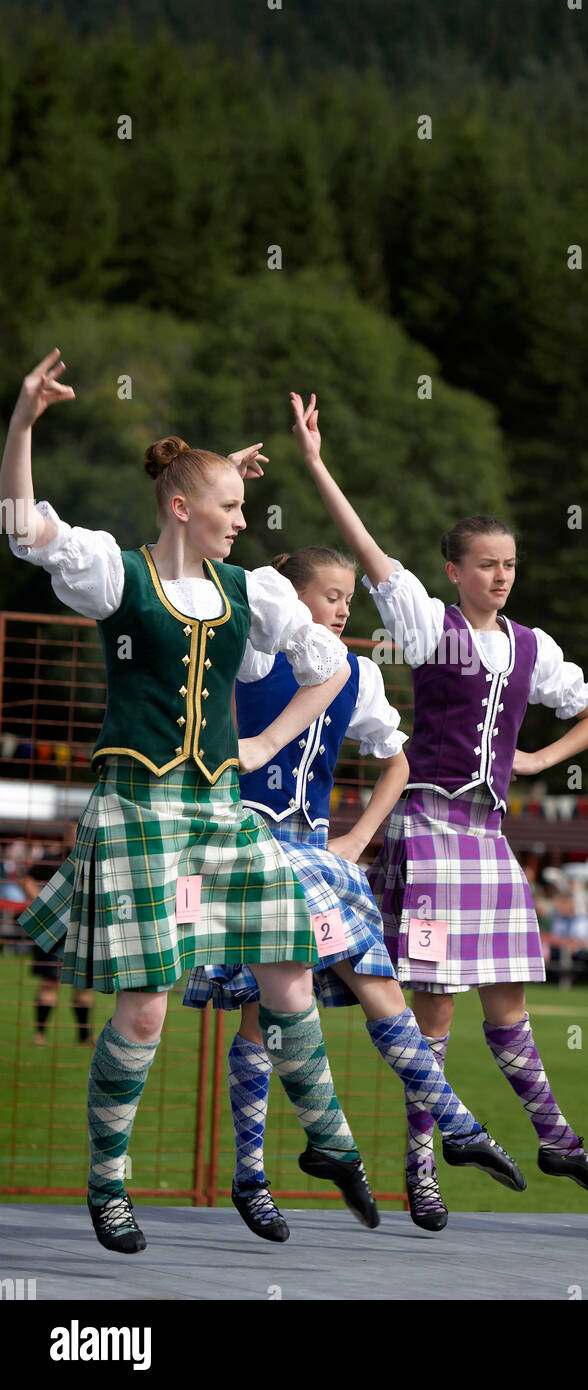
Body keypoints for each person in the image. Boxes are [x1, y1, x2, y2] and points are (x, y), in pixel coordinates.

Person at [1, 350, 389, 1254]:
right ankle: (109, 1185)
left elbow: (328, 669)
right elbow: (24, 527)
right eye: (230, 510)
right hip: (138, 807)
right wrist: (23, 422)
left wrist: (259, 743)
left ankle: (329, 1145)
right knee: (144, 1011)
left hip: (220, 809)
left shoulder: (249, 591)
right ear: (182, 509)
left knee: (291, 968)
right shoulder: (113, 572)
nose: (244, 523)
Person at [287, 390, 588, 1226]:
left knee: (508, 1002)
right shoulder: (428, 626)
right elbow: (369, 556)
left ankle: (553, 1137)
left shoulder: (531, 647)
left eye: (509, 563)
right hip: (430, 832)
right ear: (454, 570)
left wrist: (538, 756)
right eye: (486, 563)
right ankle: (420, 1168)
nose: (501, 575)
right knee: (432, 1012)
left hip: (488, 836)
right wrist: (318, 466)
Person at [182, 546, 524, 1237]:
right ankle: (446, 1128)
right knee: (332, 988)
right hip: (243, 848)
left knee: (286, 1006)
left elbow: (396, 759)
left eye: (348, 598)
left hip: (312, 854)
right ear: (287, 595)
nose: (343, 609)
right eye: (330, 596)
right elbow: (222, 575)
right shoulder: (250, 652)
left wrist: (357, 837)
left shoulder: (359, 675)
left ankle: (256, 1175)